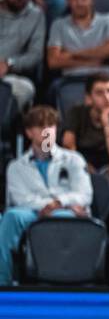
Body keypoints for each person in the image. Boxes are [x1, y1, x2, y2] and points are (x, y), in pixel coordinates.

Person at [0, 104, 92, 286]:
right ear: (29, 132)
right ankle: (3, 282)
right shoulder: (16, 167)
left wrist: (59, 203)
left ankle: (68, 280)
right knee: (11, 216)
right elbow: (21, 199)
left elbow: (84, 194)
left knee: (64, 217)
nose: (47, 131)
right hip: (32, 213)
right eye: (41, 127)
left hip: (64, 211)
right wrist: (49, 205)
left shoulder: (73, 159)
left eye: (51, 126)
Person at [61, 71, 109, 210]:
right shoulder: (77, 113)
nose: (107, 98)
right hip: (81, 163)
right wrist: (84, 165)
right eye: (100, 93)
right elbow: (68, 145)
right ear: (88, 98)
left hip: (107, 165)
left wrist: (106, 122)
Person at [46, 0, 109, 79]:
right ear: (67, 0)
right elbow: (53, 61)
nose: (79, 3)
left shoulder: (108, 20)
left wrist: (72, 54)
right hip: (72, 81)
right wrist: (95, 61)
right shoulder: (58, 24)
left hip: (103, 79)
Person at [0, 0, 44, 111]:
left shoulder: (36, 15)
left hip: (10, 77)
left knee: (25, 89)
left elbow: (35, 55)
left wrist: (9, 64)